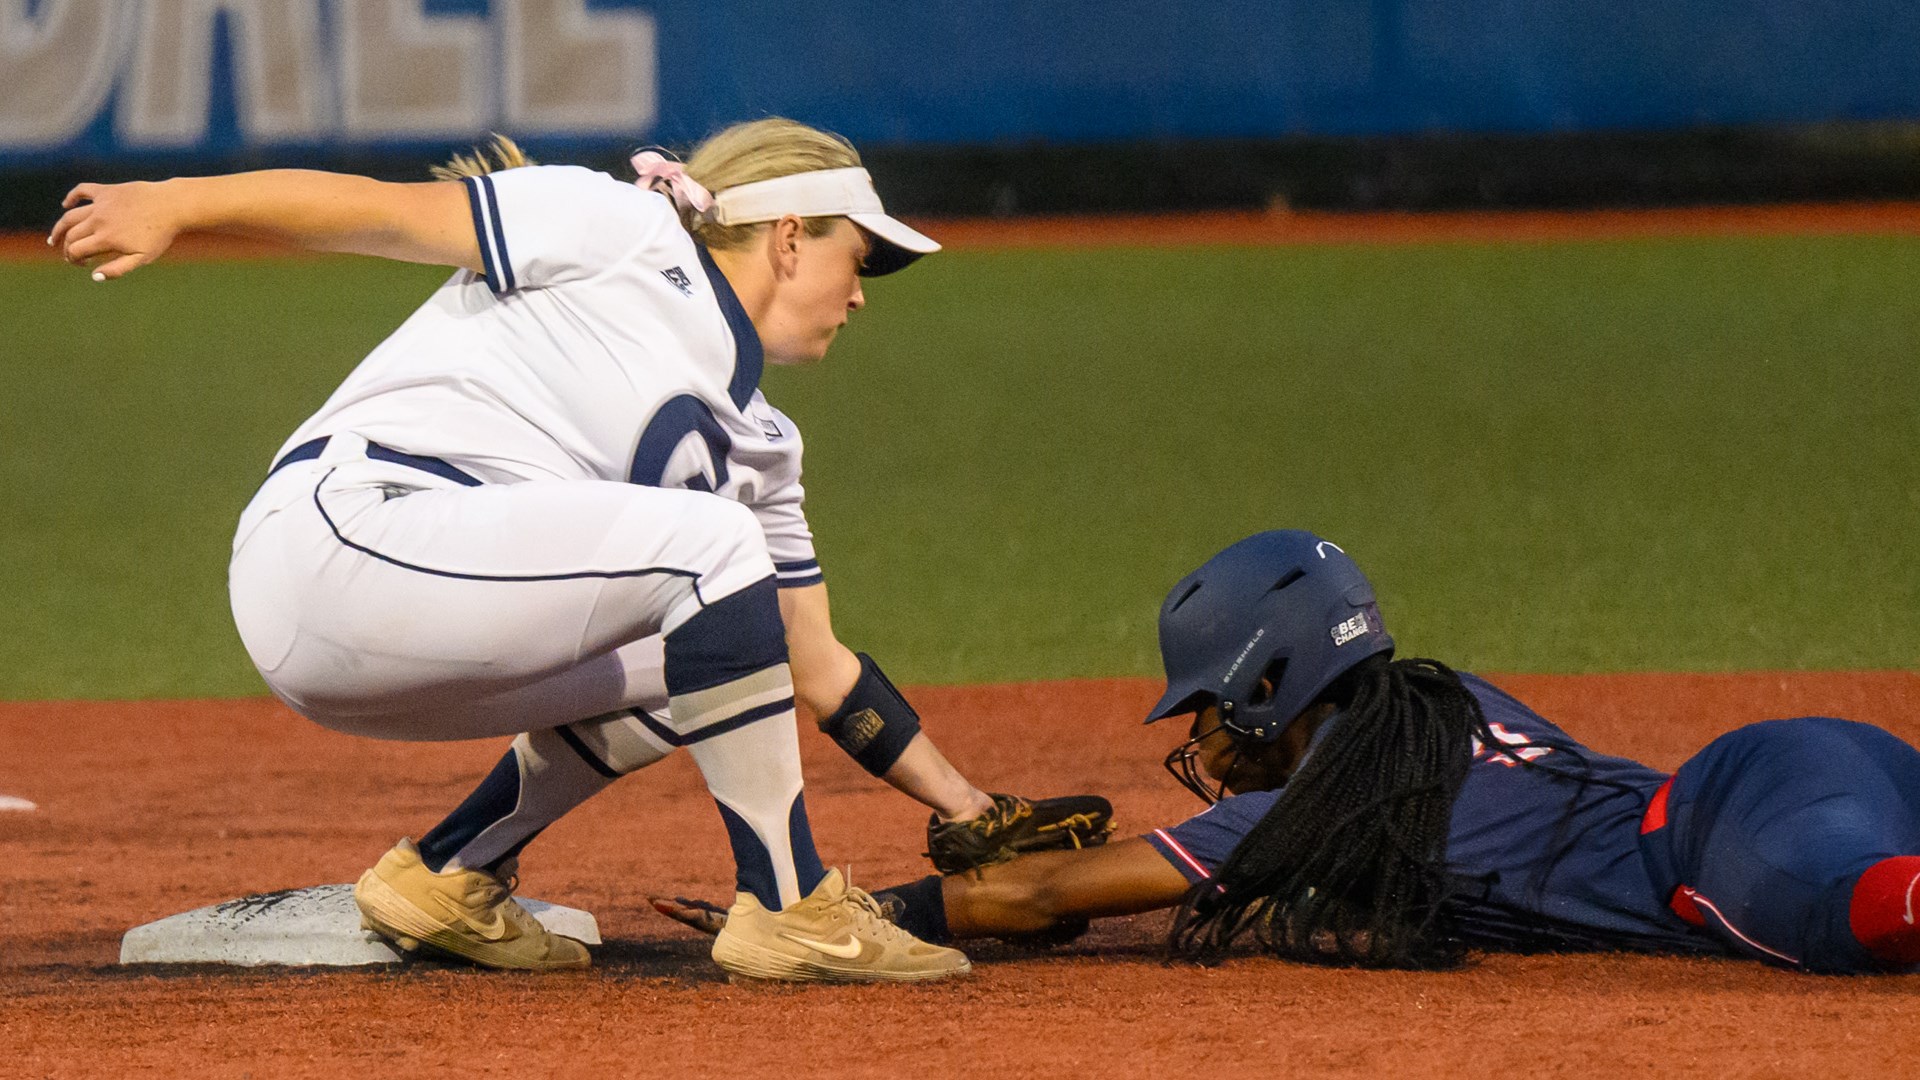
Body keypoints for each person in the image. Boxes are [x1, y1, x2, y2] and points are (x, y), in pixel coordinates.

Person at [51, 118, 1048, 982]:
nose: (862, 294)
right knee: (714, 559)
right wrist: (178, 200)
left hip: (419, 627)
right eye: (857, 259)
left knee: (722, 658)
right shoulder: (619, 228)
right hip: (339, 538)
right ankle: (789, 907)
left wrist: (974, 806)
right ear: (790, 238)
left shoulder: (764, 448)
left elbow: (813, 664)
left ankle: (448, 875)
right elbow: (379, 211)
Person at [660, 530, 1920, 975]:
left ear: (1277, 682)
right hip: (1815, 771)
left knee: (1851, 919)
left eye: (1212, 705)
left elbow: (1032, 891)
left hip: (1728, 833)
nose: (1203, 737)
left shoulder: (1325, 796)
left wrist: (862, 907)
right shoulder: (1430, 710)